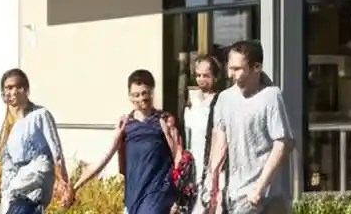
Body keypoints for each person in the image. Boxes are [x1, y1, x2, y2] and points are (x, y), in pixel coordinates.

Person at [73, 70, 187, 214]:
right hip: (133, 195)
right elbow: (105, 157)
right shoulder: (126, 125)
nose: (141, 98)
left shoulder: (164, 121)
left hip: (158, 194)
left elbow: (179, 157)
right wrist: (76, 186)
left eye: (144, 93)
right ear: (129, 96)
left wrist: (178, 195)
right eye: (136, 95)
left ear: (151, 92)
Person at [205, 40, 294, 214]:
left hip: (268, 196)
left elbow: (282, 144)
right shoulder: (224, 99)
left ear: (256, 67)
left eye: (237, 69)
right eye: (230, 68)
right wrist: (211, 184)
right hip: (238, 195)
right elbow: (219, 146)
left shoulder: (271, 96)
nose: (231, 74)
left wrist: (259, 188)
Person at [0, 68, 74, 214]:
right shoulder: (4, 122)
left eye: (19, 86)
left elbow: (56, 150)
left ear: (27, 90)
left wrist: (63, 180)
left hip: (34, 182)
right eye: (9, 88)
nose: (14, 91)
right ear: (3, 93)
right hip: (11, 188)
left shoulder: (40, 115)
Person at [185, 56, 226, 211]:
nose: (201, 79)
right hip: (192, 166)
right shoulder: (191, 100)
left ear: (215, 76)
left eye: (206, 75)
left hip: (211, 165)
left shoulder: (220, 101)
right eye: (198, 75)